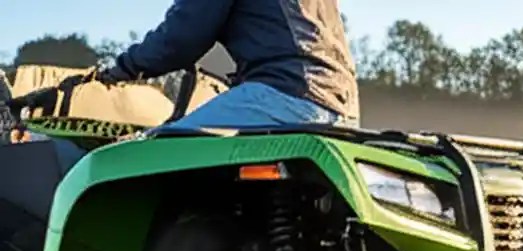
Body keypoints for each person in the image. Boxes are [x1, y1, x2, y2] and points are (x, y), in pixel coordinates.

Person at [96, 0, 360, 130]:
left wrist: (121, 70)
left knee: (152, 157)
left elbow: (181, 38)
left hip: (285, 95)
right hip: (343, 109)